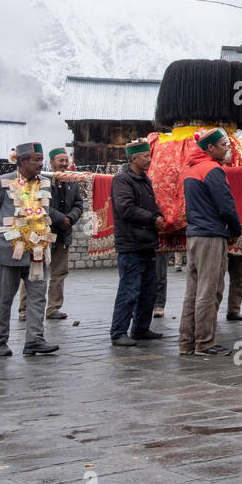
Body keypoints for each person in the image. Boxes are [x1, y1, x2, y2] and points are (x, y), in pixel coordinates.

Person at [0, 141, 59, 357]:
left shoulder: (44, 183)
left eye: (41, 160)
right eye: (36, 160)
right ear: (22, 161)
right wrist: (2, 238)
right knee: (4, 298)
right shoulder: (0, 183)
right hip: (9, 252)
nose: (40, 165)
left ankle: (35, 339)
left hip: (38, 251)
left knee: (38, 297)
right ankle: (0, 341)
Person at [179, 128, 241, 357]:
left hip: (194, 234)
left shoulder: (192, 169)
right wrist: (236, 229)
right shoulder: (212, 170)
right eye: (223, 144)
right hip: (211, 235)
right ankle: (205, 342)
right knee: (210, 289)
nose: (227, 148)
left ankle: (186, 342)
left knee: (192, 291)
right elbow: (226, 205)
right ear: (210, 148)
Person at [109, 139, 164, 347]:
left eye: (149, 156)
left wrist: (158, 214)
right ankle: (118, 331)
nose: (149, 160)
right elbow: (126, 208)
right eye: (145, 156)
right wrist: (152, 219)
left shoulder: (144, 179)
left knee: (149, 289)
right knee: (129, 290)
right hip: (131, 243)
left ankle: (141, 328)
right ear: (133, 158)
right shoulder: (122, 180)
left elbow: (152, 204)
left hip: (147, 242)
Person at [18, 147, 82, 320]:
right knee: (35, 271)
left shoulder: (72, 181)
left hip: (63, 235)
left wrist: (70, 218)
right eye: (60, 161)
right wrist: (60, 219)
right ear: (52, 162)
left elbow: (78, 204)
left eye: (65, 161)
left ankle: (53, 307)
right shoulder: (40, 180)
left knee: (60, 272)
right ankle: (25, 309)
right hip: (41, 234)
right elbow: (39, 203)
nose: (64, 164)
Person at [222, 254, 242, 322]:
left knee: (238, 276)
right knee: (216, 278)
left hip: (239, 248)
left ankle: (234, 310)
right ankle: (211, 311)